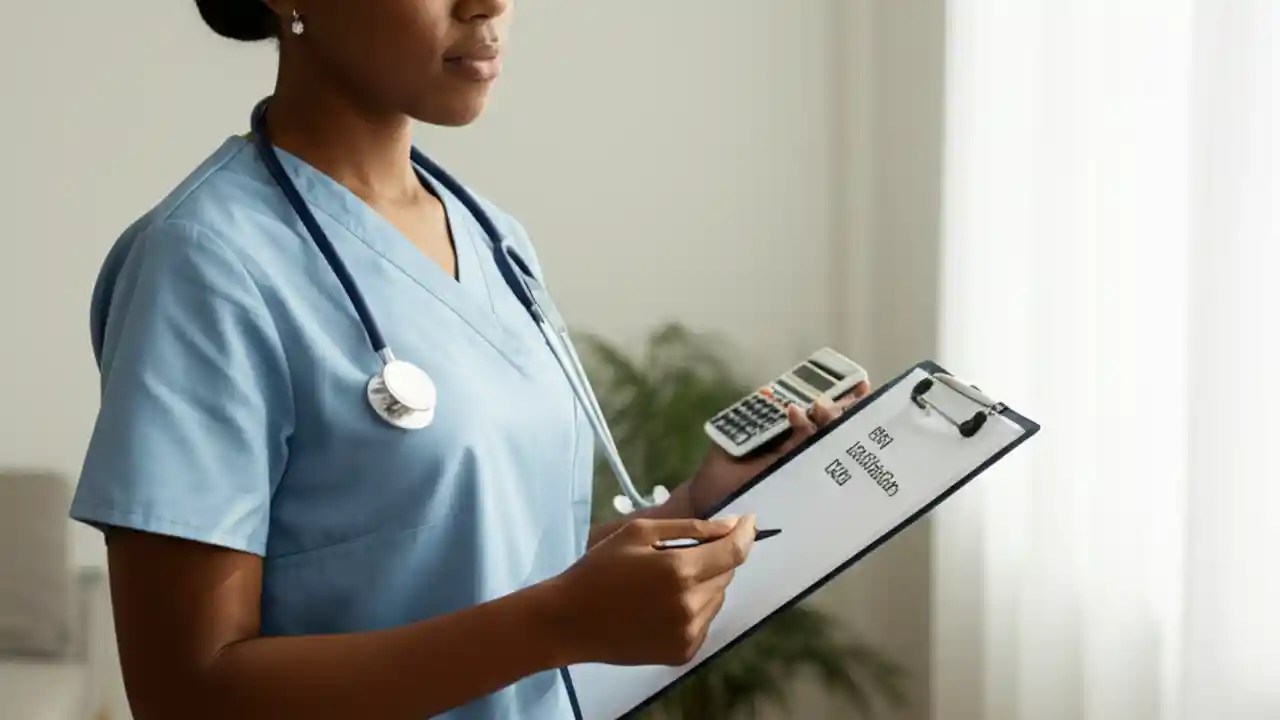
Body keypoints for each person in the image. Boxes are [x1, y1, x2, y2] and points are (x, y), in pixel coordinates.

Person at [69, 1, 868, 718]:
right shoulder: (203, 263)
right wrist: (558, 624)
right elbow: (186, 693)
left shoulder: (493, 237)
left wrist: (698, 502)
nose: (489, 6)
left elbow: (492, 570)